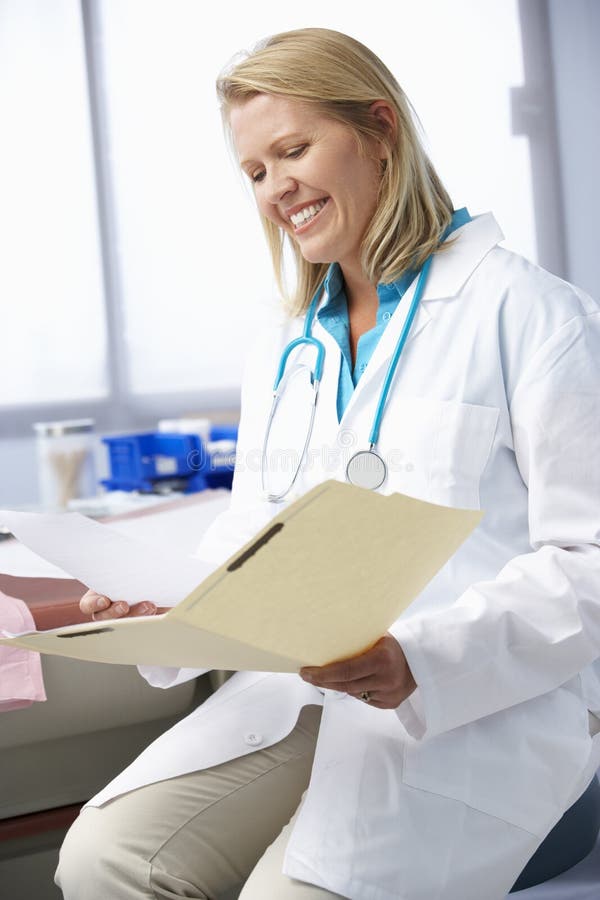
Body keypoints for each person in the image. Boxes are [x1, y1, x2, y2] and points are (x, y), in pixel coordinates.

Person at [55, 27, 600, 900]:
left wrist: (418, 657)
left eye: (293, 150)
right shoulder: (287, 344)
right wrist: (170, 602)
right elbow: (255, 526)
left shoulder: (532, 315)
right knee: (105, 861)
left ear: (379, 129)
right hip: (302, 696)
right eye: (256, 171)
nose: (276, 189)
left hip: (476, 703)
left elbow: (592, 564)